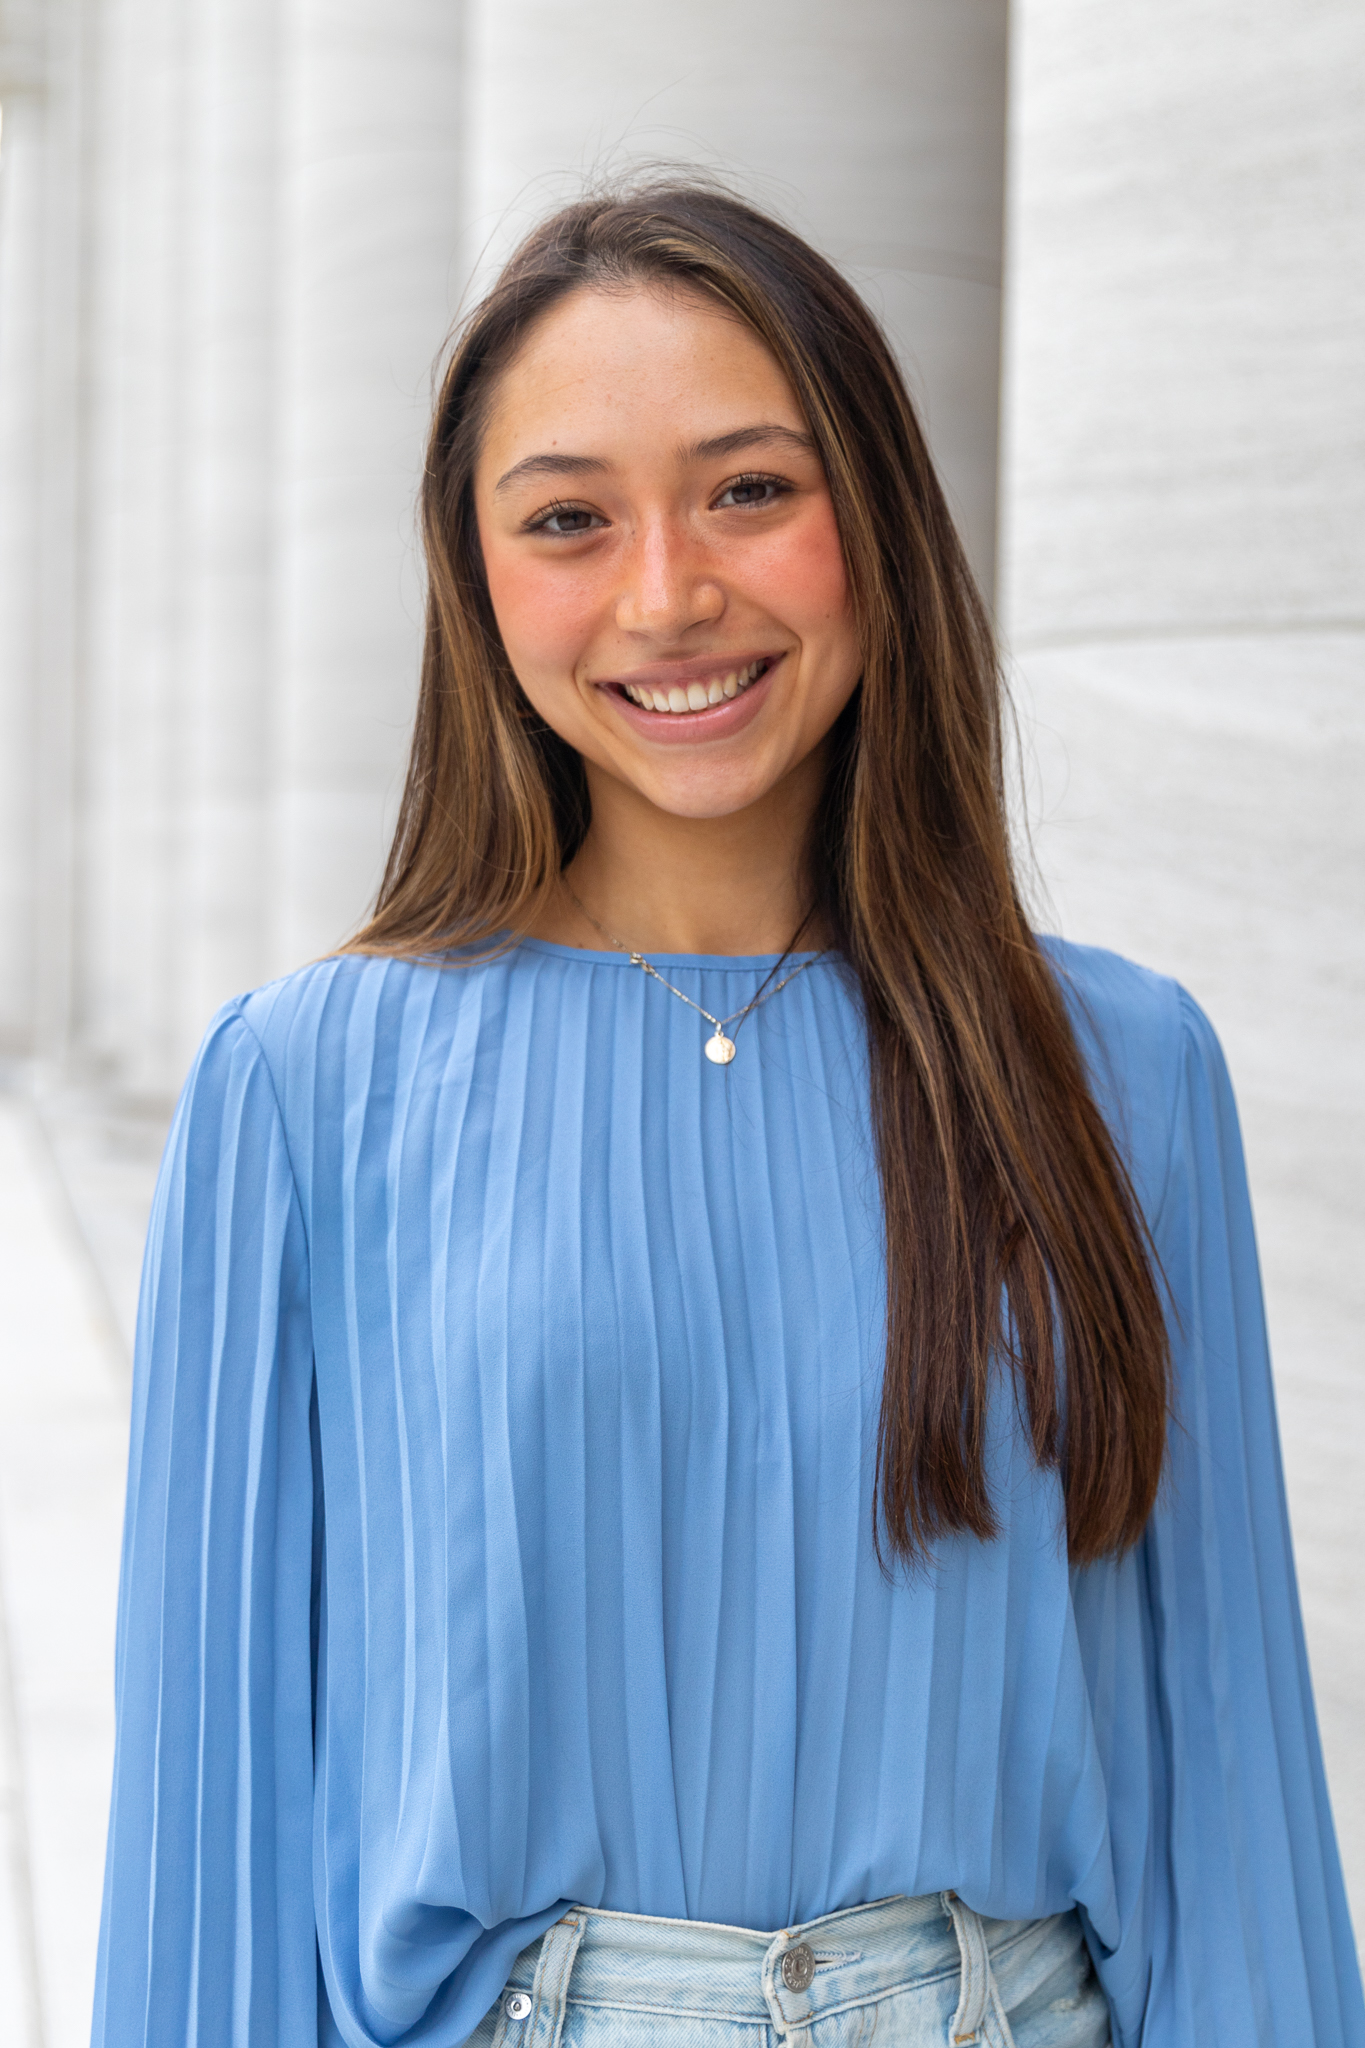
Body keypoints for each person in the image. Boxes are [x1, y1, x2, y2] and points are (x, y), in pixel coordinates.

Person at [91, 180, 1363, 2048]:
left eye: (750, 490)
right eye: (567, 519)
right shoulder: (304, 1087)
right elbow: (211, 1828)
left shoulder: (1118, 1067)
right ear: (474, 579)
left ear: (879, 518)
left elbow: (1224, 1775)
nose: (667, 594)